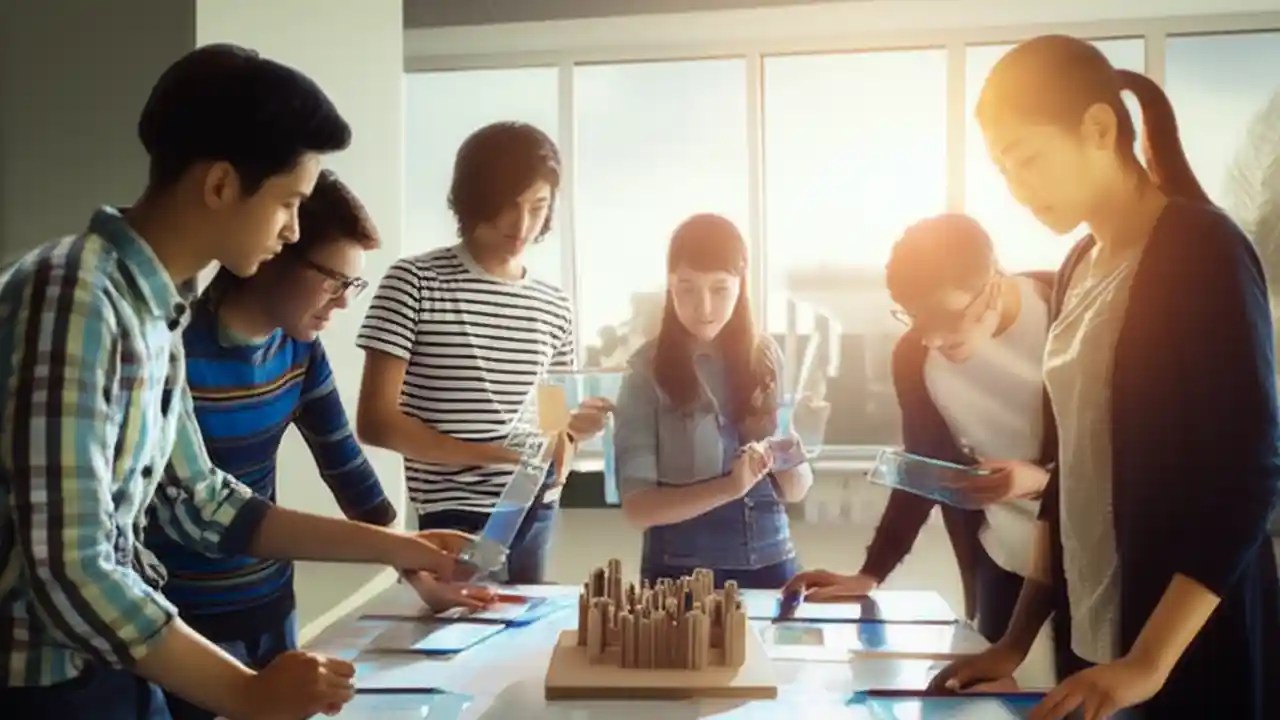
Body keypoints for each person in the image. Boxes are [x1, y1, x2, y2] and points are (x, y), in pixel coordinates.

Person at [0, 44, 462, 720]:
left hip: (111, 673)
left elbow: (206, 503)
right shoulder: (74, 292)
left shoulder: (155, 309)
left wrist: (400, 547)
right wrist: (242, 690)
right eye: (288, 203)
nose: (294, 229)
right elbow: (70, 571)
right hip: (43, 688)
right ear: (220, 185)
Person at [929, 35, 1280, 719]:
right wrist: (1013, 640)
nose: (1019, 187)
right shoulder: (1077, 265)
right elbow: (1070, 476)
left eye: (1027, 158)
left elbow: (1248, 477)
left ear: (1098, 127)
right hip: (1094, 644)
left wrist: (1146, 663)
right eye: (1004, 170)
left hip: (1184, 656)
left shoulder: (1203, 249)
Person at [152, 169, 491, 720]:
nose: (340, 303)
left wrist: (415, 564)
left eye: (350, 286)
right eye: (333, 280)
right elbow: (207, 510)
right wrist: (402, 549)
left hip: (271, 612)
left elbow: (351, 474)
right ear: (275, 248)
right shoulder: (171, 350)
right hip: (176, 631)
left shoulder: (300, 352)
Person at [784, 214, 1059, 646]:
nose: (931, 337)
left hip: (1087, 560)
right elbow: (924, 469)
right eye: (915, 318)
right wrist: (871, 573)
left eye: (945, 314)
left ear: (992, 281)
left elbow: (1121, 458)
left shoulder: (1069, 315)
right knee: (989, 700)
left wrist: (1041, 482)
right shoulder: (915, 358)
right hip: (1001, 558)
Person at [357, 121, 611, 584]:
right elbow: (375, 421)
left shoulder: (554, 305)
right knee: (448, 647)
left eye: (537, 207)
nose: (522, 225)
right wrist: (495, 455)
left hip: (535, 508)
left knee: (523, 649)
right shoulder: (413, 282)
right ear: (473, 199)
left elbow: (552, 427)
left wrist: (574, 435)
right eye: (507, 206)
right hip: (451, 513)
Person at [612, 213, 813, 589]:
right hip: (682, 575)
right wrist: (728, 488)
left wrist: (785, 449)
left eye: (720, 289)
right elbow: (638, 508)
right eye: (687, 288)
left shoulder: (765, 356)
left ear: (741, 286)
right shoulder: (645, 371)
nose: (703, 307)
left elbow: (797, 489)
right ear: (670, 287)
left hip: (774, 562)